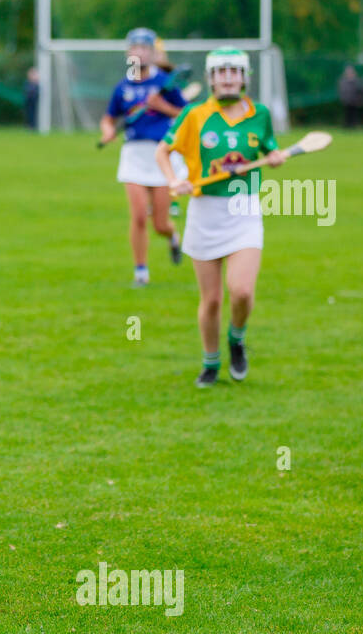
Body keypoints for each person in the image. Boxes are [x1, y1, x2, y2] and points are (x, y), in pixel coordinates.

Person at [155, 47, 286, 388]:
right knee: (211, 299)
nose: (228, 77)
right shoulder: (194, 115)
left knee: (241, 291)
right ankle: (210, 363)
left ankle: (237, 338)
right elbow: (162, 151)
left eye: (234, 71)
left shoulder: (260, 115)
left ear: (244, 77)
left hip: (244, 209)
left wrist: (274, 157)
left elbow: (269, 148)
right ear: (211, 78)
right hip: (204, 212)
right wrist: (174, 180)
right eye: (221, 72)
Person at [99, 28, 188, 286]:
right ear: (129, 53)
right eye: (134, 48)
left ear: (152, 53)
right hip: (133, 154)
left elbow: (186, 116)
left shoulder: (165, 83)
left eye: (144, 48)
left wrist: (163, 107)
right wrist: (107, 131)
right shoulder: (123, 86)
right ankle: (141, 271)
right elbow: (109, 117)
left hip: (161, 155)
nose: (138, 52)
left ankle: (172, 237)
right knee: (138, 216)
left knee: (160, 223)